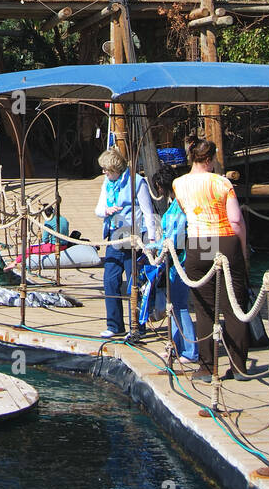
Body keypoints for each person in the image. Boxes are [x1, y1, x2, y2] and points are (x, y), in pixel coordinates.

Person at [173, 138, 251, 380]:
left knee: (204, 307)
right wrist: (244, 247)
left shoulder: (179, 183)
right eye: (214, 158)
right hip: (225, 239)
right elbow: (235, 220)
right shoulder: (222, 183)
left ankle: (207, 367)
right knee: (233, 306)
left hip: (200, 241)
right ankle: (238, 366)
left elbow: (187, 212)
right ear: (208, 159)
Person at [95, 145, 159, 338]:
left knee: (135, 282)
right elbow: (98, 209)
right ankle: (114, 325)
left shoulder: (137, 183)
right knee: (110, 280)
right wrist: (106, 211)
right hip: (114, 235)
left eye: (107, 170)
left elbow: (148, 213)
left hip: (133, 237)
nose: (104, 173)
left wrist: (152, 240)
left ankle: (137, 325)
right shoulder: (107, 184)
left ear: (116, 169)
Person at [147, 164, 198, 363]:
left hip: (180, 260)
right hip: (174, 258)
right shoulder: (176, 203)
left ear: (160, 186)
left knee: (179, 305)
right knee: (174, 305)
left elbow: (175, 235)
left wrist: (158, 247)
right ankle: (177, 346)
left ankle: (190, 351)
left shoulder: (178, 206)